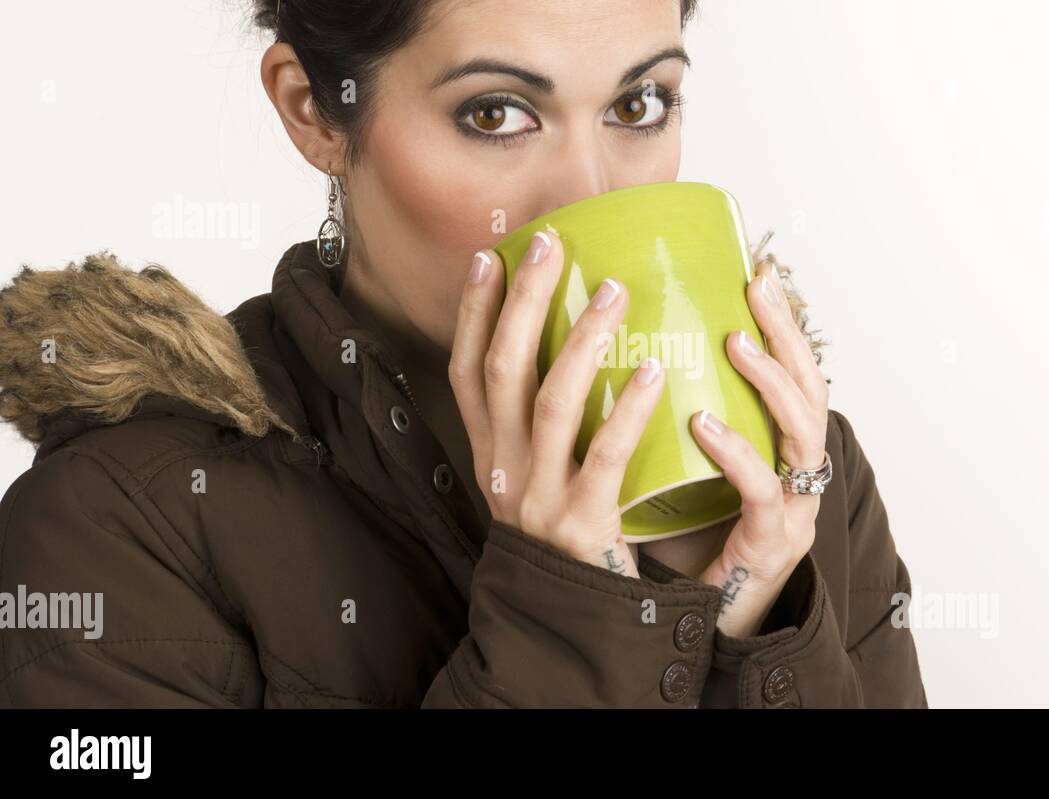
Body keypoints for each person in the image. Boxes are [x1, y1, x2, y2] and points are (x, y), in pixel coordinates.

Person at [0, 0, 927, 708]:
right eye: (495, 114)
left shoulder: (802, 481)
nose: (586, 195)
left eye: (640, 104)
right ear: (315, 111)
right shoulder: (117, 529)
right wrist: (579, 613)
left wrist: (725, 602)